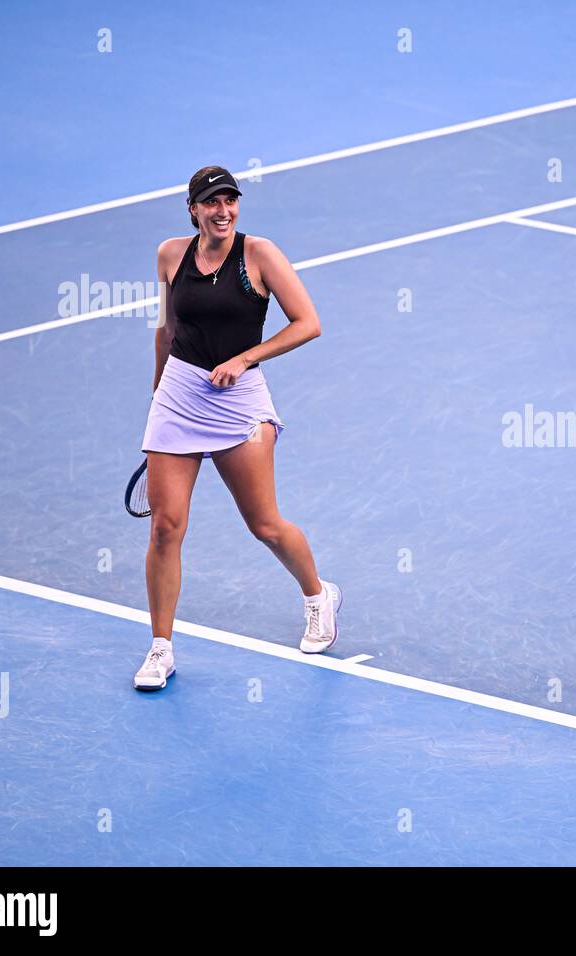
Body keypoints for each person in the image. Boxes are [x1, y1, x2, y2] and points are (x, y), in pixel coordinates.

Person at [133, 166, 341, 691]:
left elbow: (308, 323)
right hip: (179, 395)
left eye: (230, 200)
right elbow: (167, 329)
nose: (223, 210)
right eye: (211, 202)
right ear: (193, 209)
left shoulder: (259, 254)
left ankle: (318, 596)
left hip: (237, 401)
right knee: (165, 527)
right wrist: (158, 396)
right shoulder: (170, 254)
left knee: (264, 524)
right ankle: (160, 648)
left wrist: (245, 359)